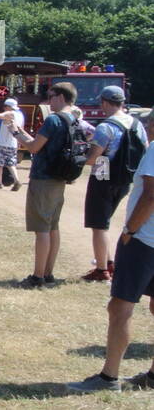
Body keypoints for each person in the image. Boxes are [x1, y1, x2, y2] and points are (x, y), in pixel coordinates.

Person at [68, 108, 154, 392]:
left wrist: (130, 230)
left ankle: (109, 377)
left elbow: (152, 195)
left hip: (144, 241)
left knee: (120, 308)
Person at [7, 82, 77, 288]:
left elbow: (35, 147)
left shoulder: (53, 120)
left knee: (42, 229)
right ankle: (48, 273)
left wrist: (15, 132)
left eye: (51, 95)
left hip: (43, 178)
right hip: (59, 177)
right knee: (53, 226)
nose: (47, 100)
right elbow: (40, 143)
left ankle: (37, 276)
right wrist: (20, 130)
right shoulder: (72, 118)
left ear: (61, 97)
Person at [80, 86, 148, 282]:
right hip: (126, 179)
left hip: (103, 178)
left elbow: (93, 158)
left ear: (104, 102)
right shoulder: (136, 124)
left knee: (99, 225)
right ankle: (108, 262)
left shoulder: (105, 127)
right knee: (106, 222)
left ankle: (101, 271)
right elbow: (143, 150)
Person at [0, 98, 24, 190]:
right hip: (13, 143)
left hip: (2, 142)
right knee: (11, 163)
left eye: (5, 106)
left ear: (8, 107)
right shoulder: (20, 115)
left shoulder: (9, 114)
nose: (4, 108)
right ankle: (17, 181)